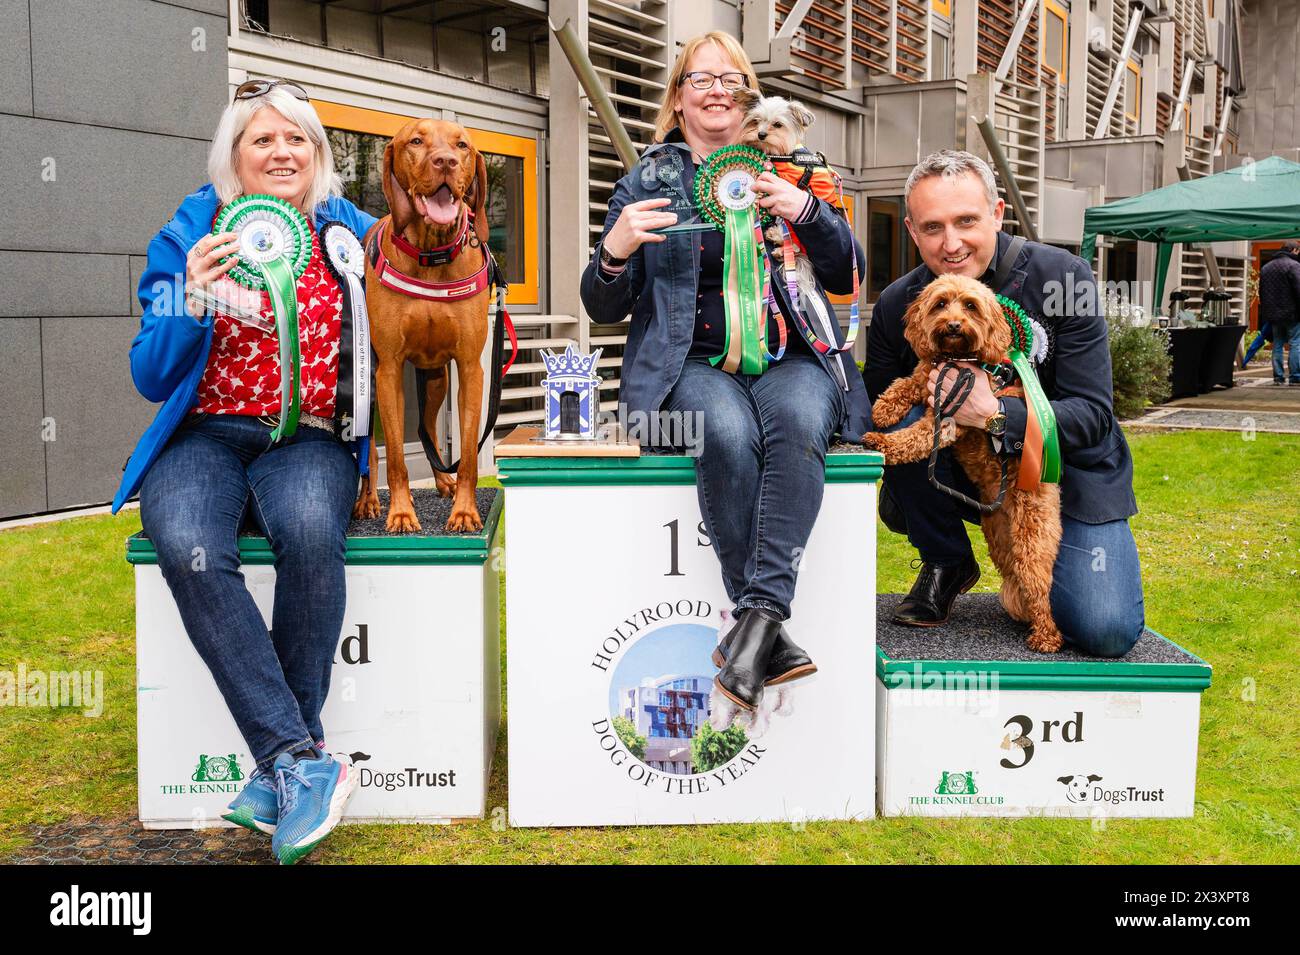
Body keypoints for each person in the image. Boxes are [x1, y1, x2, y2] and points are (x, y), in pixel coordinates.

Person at [111, 79, 377, 864]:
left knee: (307, 528)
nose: (282, 151)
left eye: (298, 139)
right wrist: (190, 297)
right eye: (263, 140)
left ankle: (281, 768)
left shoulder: (351, 229)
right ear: (233, 156)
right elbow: (150, 375)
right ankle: (299, 756)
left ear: (320, 154)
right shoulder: (189, 230)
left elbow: (424, 281)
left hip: (310, 437)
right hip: (206, 434)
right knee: (187, 538)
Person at [580, 31, 870, 710]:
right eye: (700, 79)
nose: (717, 90)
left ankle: (756, 621)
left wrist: (807, 212)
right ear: (678, 100)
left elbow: (848, 273)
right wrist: (615, 252)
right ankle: (767, 625)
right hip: (689, 361)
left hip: (790, 353)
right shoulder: (647, 177)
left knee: (800, 418)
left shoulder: (793, 171)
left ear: (749, 98)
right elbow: (602, 305)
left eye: (731, 79)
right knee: (728, 432)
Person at [865, 150, 1144, 658]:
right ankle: (946, 558)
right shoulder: (895, 305)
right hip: (960, 471)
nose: (951, 243)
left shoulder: (1064, 277)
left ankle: (1045, 577)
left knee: (1104, 628)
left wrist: (993, 414)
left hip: (1068, 474)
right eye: (932, 227)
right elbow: (880, 406)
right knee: (895, 417)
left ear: (997, 212)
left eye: (966, 221)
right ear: (911, 229)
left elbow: (1095, 416)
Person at [1257, 240, 1300, 384]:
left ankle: (1278, 377)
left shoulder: (1266, 267)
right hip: (1292, 313)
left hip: (1273, 314)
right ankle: (1295, 377)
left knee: (1277, 345)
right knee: (1295, 343)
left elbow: (1261, 292)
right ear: (1294, 250)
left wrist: (1266, 313)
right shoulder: (1294, 266)